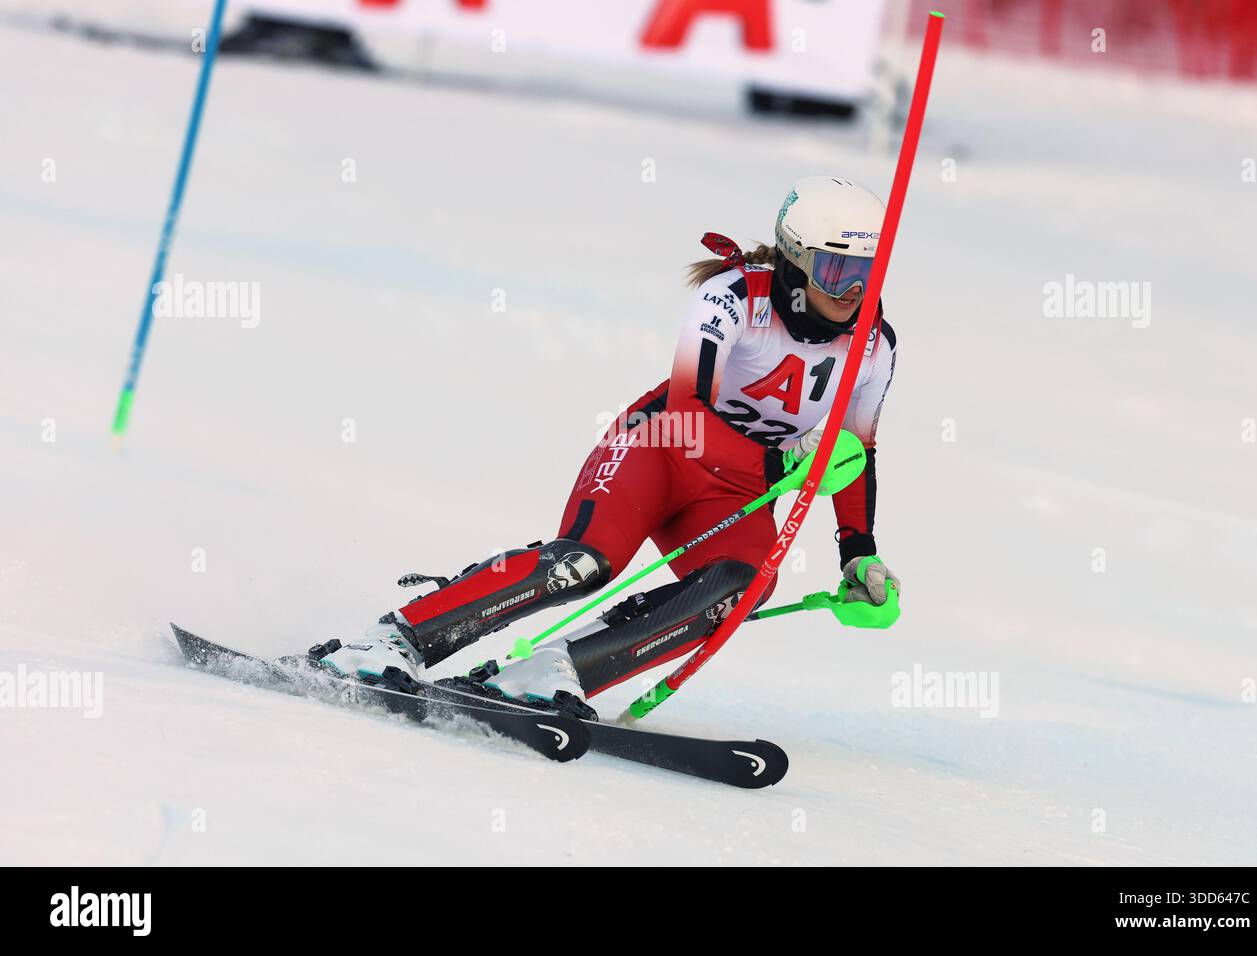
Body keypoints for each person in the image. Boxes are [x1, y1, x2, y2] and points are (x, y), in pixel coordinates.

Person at [312, 176, 902, 719]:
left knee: (746, 584)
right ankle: (397, 637)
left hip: (737, 494)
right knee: (584, 564)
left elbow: (858, 452)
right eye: (835, 272)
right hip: (659, 451)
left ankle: (553, 670)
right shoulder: (730, 299)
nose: (853, 291)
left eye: (868, 273)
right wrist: (782, 462)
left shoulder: (875, 345)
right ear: (796, 263)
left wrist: (858, 552)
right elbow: (685, 413)